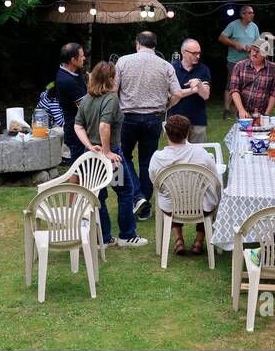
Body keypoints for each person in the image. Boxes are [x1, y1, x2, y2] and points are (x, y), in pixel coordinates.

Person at [72, 61, 147, 248]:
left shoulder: (87, 98)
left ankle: (103, 238)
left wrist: (89, 146)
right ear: (112, 78)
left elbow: (78, 125)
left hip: (90, 157)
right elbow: (104, 126)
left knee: (98, 195)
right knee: (125, 191)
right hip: (110, 156)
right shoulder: (111, 98)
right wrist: (107, 151)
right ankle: (127, 235)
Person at [114, 30, 182, 219]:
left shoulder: (123, 62)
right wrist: (166, 105)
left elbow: (113, 89)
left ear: (138, 43)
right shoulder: (165, 65)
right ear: (155, 45)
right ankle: (143, 201)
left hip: (128, 116)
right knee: (147, 161)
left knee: (122, 157)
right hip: (154, 117)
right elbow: (177, 93)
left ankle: (136, 197)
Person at [148, 114, 221, 257]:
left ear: (166, 133)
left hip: (172, 208)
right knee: (208, 195)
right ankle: (199, 241)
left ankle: (179, 239)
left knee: (173, 195)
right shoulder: (202, 154)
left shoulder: (157, 157)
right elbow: (215, 179)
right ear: (187, 133)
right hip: (201, 208)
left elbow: (155, 181)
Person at [218, 5, 259, 117]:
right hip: (234, 61)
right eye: (250, 13)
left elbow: (257, 43)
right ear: (243, 15)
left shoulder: (254, 26)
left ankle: (240, 109)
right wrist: (235, 44)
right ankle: (226, 110)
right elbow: (221, 37)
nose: (252, 15)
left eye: (252, 12)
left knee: (246, 85)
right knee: (231, 85)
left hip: (249, 61)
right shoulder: (233, 25)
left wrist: (252, 48)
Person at [228, 37, 275, 120]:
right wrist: (241, 110)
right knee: (243, 133)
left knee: (264, 133)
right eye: (253, 49)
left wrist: (267, 113)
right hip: (244, 111)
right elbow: (234, 89)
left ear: (265, 54)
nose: (254, 53)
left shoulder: (274, 68)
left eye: (258, 51)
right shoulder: (239, 66)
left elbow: (274, 92)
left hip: (263, 112)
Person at [171, 38, 212, 142]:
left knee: (197, 155)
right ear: (183, 52)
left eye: (199, 53)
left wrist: (199, 85)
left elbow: (206, 95)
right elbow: (171, 95)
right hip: (176, 121)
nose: (198, 56)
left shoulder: (203, 69)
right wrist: (193, 90)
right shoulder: (172, 69)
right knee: (178, 154)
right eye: (194, 53)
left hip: (198, 120)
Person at [56, 42, 89, 156]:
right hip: (76, 131)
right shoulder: (67, 81)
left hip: (78, 128)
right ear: (73, 60)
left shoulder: (72, 72)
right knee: (81, 169)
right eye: (81, 56)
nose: (84, 58)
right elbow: (85, 106)